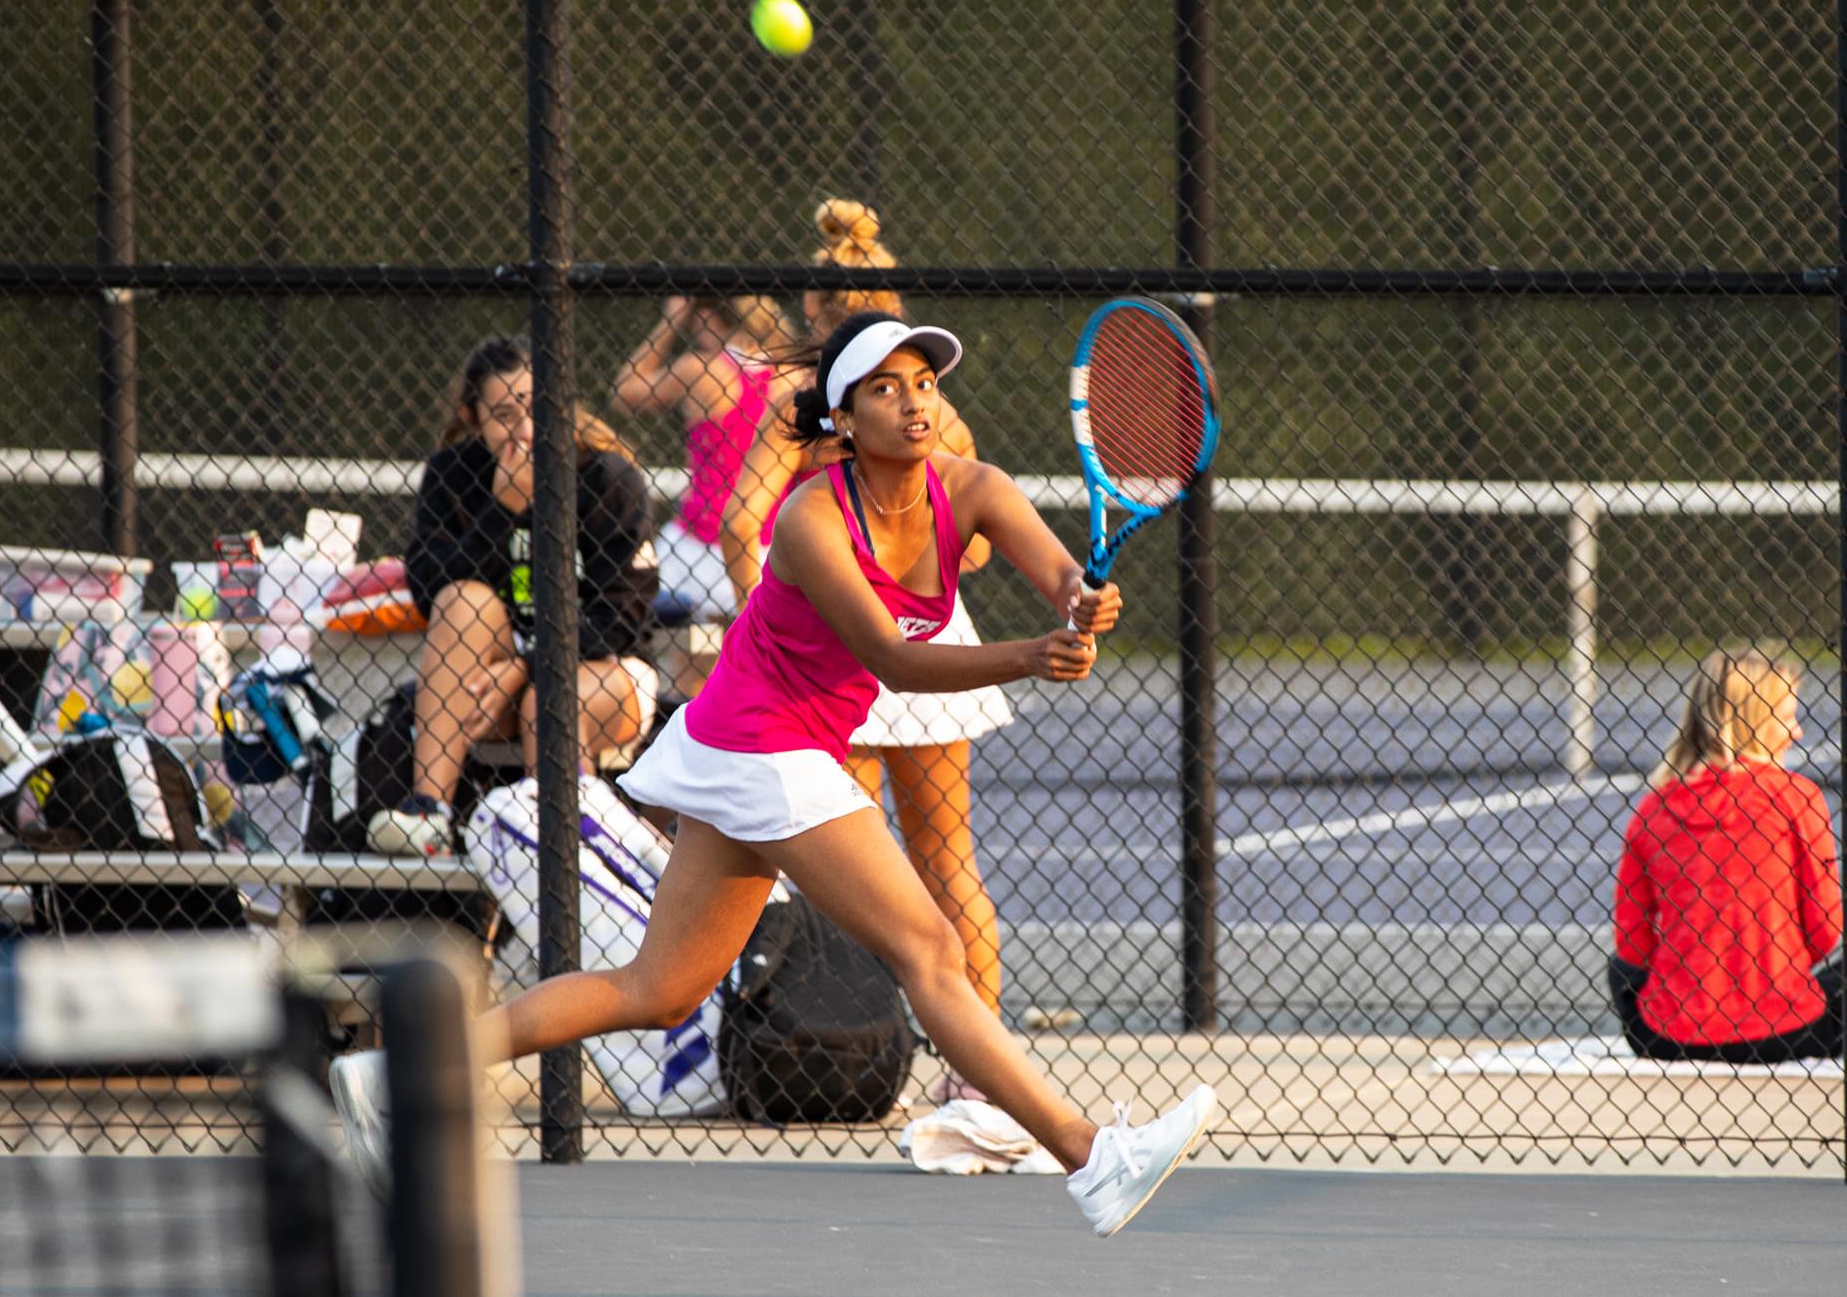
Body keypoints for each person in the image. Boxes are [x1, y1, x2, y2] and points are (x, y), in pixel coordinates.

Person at [334, 313, 1217, 1237]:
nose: (914, 402)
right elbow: (892, 657)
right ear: (843, 419)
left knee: (656, 991)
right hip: (764, 745)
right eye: (884, 388)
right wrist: (1033, 654)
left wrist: (1080, 600)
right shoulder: (810, 519)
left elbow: (1065, 578)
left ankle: (395, 1075)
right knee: (930, 950)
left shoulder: (977, 489)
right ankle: (1092, 1157)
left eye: (924, 382)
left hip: (758, 746)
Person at [720, 201, 1014, 1081]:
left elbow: (740, 523)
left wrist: (763, 622)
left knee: (848, 880)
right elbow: (979, 546)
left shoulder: (805, 408)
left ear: (816, 312)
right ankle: (980, 1079)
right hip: (930, 642)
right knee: (947, 862)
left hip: (830, 656)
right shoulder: (935, 414)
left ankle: (852, 1050)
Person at [367, 334, 660, 858]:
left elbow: (622, 619)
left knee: (548, 700)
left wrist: (528, 666)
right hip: (486, 680)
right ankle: (429, 813)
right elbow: (429, 590)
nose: (525, 429)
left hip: (603, 672)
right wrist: (501, 511)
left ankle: (568, 848)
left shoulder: (607, 477)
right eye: (504, 415)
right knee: (464, 601)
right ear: (473, 417)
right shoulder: (454, 474)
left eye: (536, 409)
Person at [1610, 648, 1844, 1062]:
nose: (1798, 732)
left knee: (1620, 970)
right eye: (1786, 718)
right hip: (1787, 1029)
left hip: (1668, 1036)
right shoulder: (1798, 798)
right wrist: (1772, 967)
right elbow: (1826, 929)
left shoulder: (1653, 808)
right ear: (1754, 723)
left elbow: (1632, 945)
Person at [608, 294, 789, 623]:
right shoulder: (790, 375)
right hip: (767, 553)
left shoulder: (703, 370)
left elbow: (623, 392)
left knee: (671, 631)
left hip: (698, 547)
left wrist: (671, 321)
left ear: (706, 316)